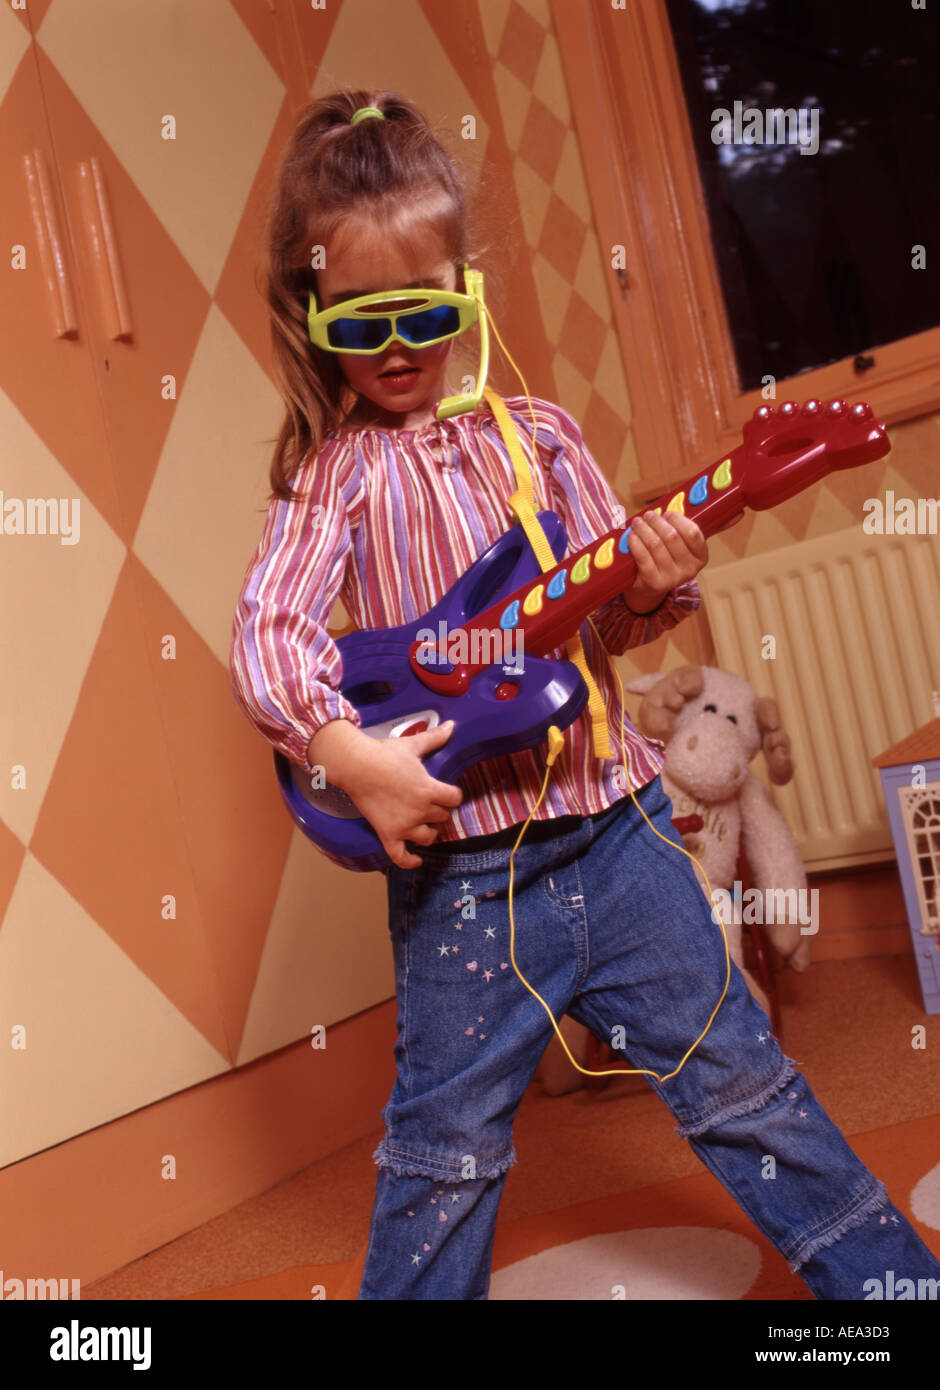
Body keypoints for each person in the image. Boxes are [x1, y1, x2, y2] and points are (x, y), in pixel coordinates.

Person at [229, 89, 940, 1301]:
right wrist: (344, 753)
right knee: (442, 1157)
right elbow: (268, 631)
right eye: (363, 323)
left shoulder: (544, 440)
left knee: (744, 1083)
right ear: (316, 316)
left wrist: (655, 579)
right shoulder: (329, 478)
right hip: (468, 883)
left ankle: (891, 1294)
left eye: (429, 311)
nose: (400, 346)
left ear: (472, 292)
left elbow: (608, 620)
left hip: (619, 836)